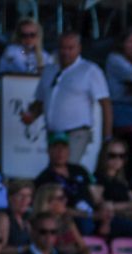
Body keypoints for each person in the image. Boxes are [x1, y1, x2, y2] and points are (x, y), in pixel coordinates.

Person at [21, 32, 111, 163]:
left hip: (76, 132)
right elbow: (40, 101)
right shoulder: (49, 70)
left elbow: (106, 104)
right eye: (63, 48)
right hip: (52, 133)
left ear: (79, 48)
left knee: (69, 169)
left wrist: (107, 137)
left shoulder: (90, 70)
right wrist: (31, 115)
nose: (66, 52)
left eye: (70, 48)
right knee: (56, 171)